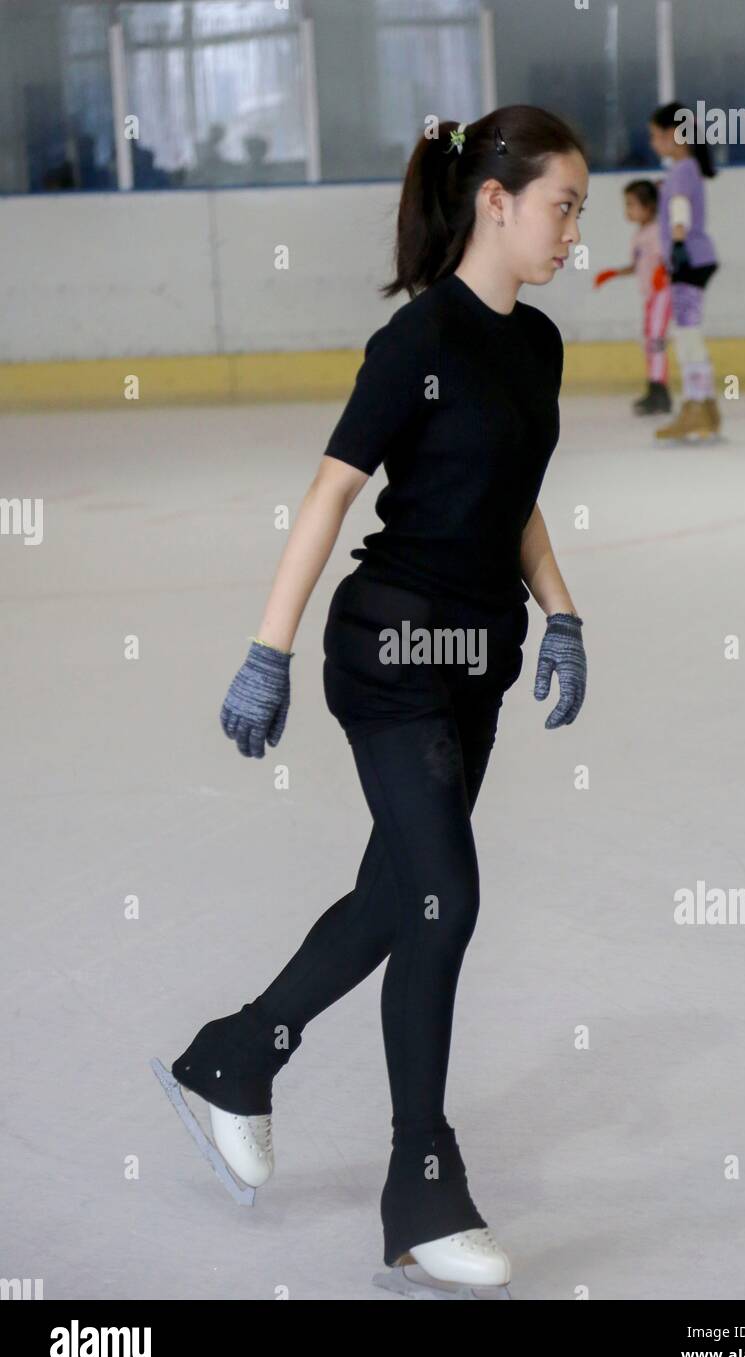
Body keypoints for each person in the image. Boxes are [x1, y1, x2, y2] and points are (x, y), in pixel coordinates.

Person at [168, 104, 589, 1296]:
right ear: (495, 202)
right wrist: (268, 649)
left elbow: (509, 495)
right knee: (442, 900)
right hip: (391, 652)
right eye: (560, 203)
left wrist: (559, 610)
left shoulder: (539, 345)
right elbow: (328, 491)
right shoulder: (415, 342)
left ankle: (232, 1059)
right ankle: (422, 1183)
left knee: (391, 893)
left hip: (476, 658)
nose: (572, 229)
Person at [648, 101, 721, 441]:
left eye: (654, 135)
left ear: (671, 135)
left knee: (687, 334)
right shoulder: (688, 168)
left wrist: (677, 243)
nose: (652, 142)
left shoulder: (680, 170)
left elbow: (680, 208)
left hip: (687, 260)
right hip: (696, 258)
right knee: (689, 332)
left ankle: (696, 406)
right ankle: (705, 408)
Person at [593, 178, 672, 415]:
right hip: (650, 295)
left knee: (656, 340)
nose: (627, 210)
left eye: (631, 204)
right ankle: (655, 388)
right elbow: (640, 265)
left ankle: (659, 392)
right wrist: (615, 273)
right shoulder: (640, 235)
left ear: (648, 207)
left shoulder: (657, 231)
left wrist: (662, 272)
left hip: (662, 293)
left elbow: (667, 259)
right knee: (649, 340)